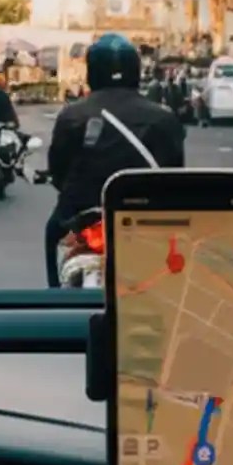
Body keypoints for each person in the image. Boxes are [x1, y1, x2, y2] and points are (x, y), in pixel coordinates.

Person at [44, 33, 186, 287]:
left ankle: (56, 299)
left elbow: (58, 171)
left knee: (51, 233)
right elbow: (175, 173)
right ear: (135, 70)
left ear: (93, 71)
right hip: (148, 216)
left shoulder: (72, 115)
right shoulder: (164, 118)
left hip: (83, 212)